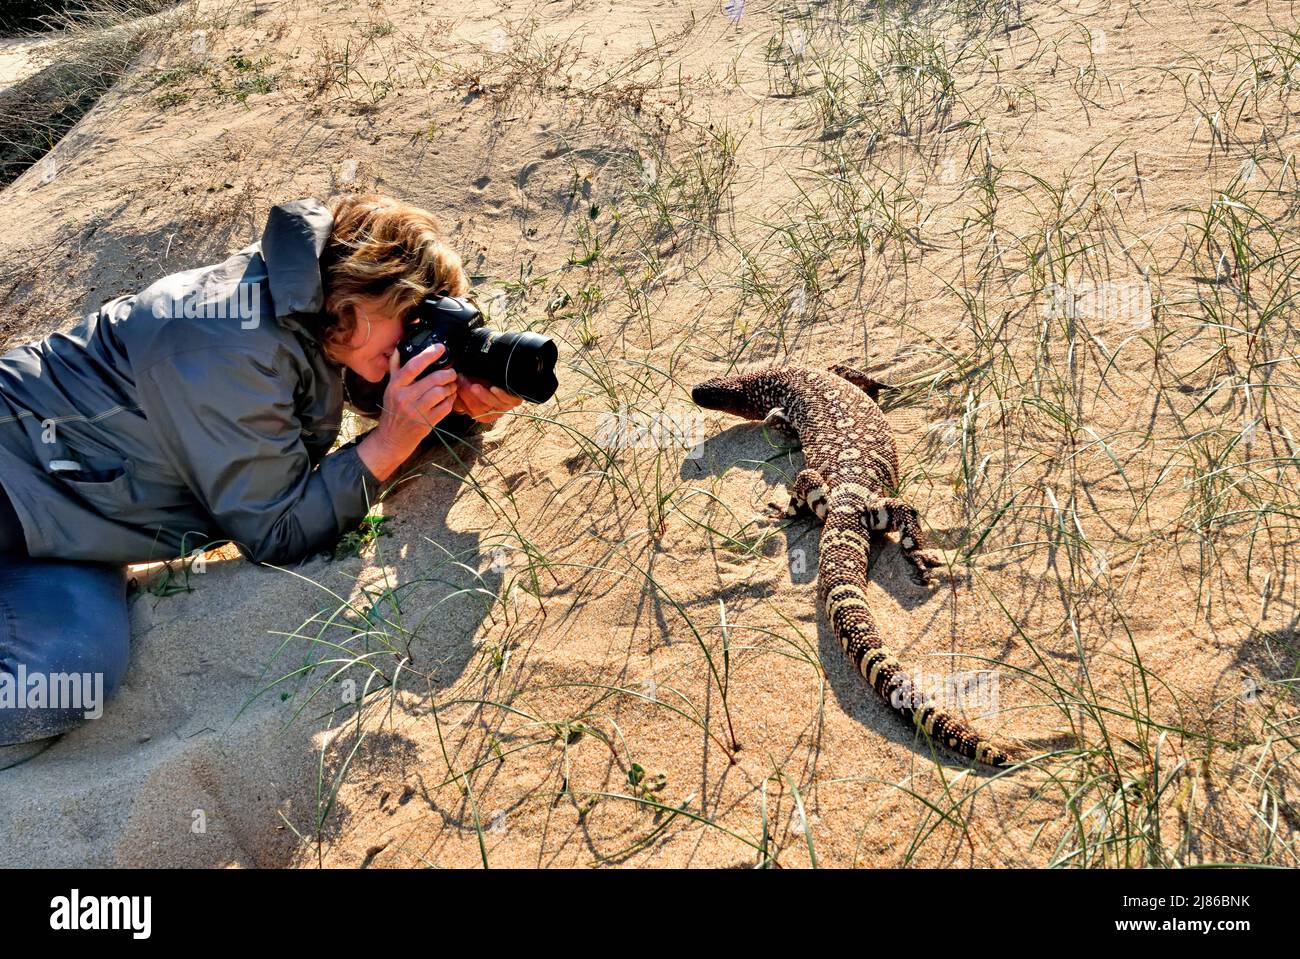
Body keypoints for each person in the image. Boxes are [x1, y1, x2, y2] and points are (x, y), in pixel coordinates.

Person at [0, 193, 521, 752]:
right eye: (412, 320)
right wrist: (394, 437)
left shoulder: (307, 311)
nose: (421, 339)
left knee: (62, 680)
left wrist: (448, 403)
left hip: (63, 535)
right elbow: (276, 533)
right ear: (358, 294)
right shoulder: (224, 339)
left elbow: (310, 394)